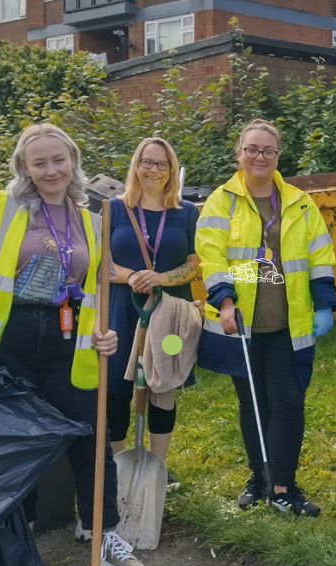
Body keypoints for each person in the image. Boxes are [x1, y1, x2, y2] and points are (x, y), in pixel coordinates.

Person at [0, 123, 148, 566]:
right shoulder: (3, 208)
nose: (50, 170)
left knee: (90, 436)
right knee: (12, 443)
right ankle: (12, 544)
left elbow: (93, 287)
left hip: (66, 340)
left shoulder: (92, 221)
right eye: (39, 162)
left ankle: (103, 534)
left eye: (59, 160)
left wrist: (102, 335)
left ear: (72, 160)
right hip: (9, 340)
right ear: (24, 168)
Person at [195, 119, 336, 517]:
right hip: (239, 325)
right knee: (252, 403)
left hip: (288, 323)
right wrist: (226, 300)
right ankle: (259, 476)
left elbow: (320, 254)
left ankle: (283, 485)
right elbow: (212, 257)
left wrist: (324, 302)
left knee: (289, 403)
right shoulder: (220, 202)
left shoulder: (298, 201)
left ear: (278, 156)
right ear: (239, 153)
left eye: (268, 151)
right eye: (252, 149)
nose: (260, 157)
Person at [105, 137, 200, 484]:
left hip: (170, 316)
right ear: (135, 165)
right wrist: (133, 276)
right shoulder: (113, 210)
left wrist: (161, 277)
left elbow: (195, 264)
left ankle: (157, 468)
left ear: (171, 170)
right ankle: (119, 466)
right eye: (147, 161)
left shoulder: (187, 213)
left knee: (164, 382)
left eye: (162, 164)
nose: (153, 170)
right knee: (116, 386)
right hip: (121, 313)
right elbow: (100, 264)